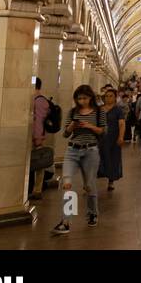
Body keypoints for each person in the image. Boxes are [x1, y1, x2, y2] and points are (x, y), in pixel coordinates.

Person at [53, 84, 104, 235]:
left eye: (85, 98)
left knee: (89, 184)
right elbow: (65, 134)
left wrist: (89, 126)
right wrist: (72, 127)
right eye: (79, 98)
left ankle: (92, 213)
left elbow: (102, 131)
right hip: (72, 150)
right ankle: (66, 221)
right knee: (68, 184)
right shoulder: (72, 112)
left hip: (91, 150)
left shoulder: (98, 112)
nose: (82, 101)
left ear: (91, 98)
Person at [98, 85, 127, 193]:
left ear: (115, 98)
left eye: (111, 96)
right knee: (99, 158)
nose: (108, 98)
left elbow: (122, 124)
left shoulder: (118, 110)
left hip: (113, 138)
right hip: (101, 138)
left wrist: (121, 137)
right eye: (106, 96)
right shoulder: (100, 109)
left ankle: (111, 181)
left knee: (112, 159)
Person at [30, 77, 52, 199]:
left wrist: (38, 137)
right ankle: (33, 187)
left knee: (39, 162)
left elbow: (39, 121)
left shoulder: (38, 101)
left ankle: (37, 189)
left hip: (36, 137)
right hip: (34, 135)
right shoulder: (38, 99)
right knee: (37, 162)